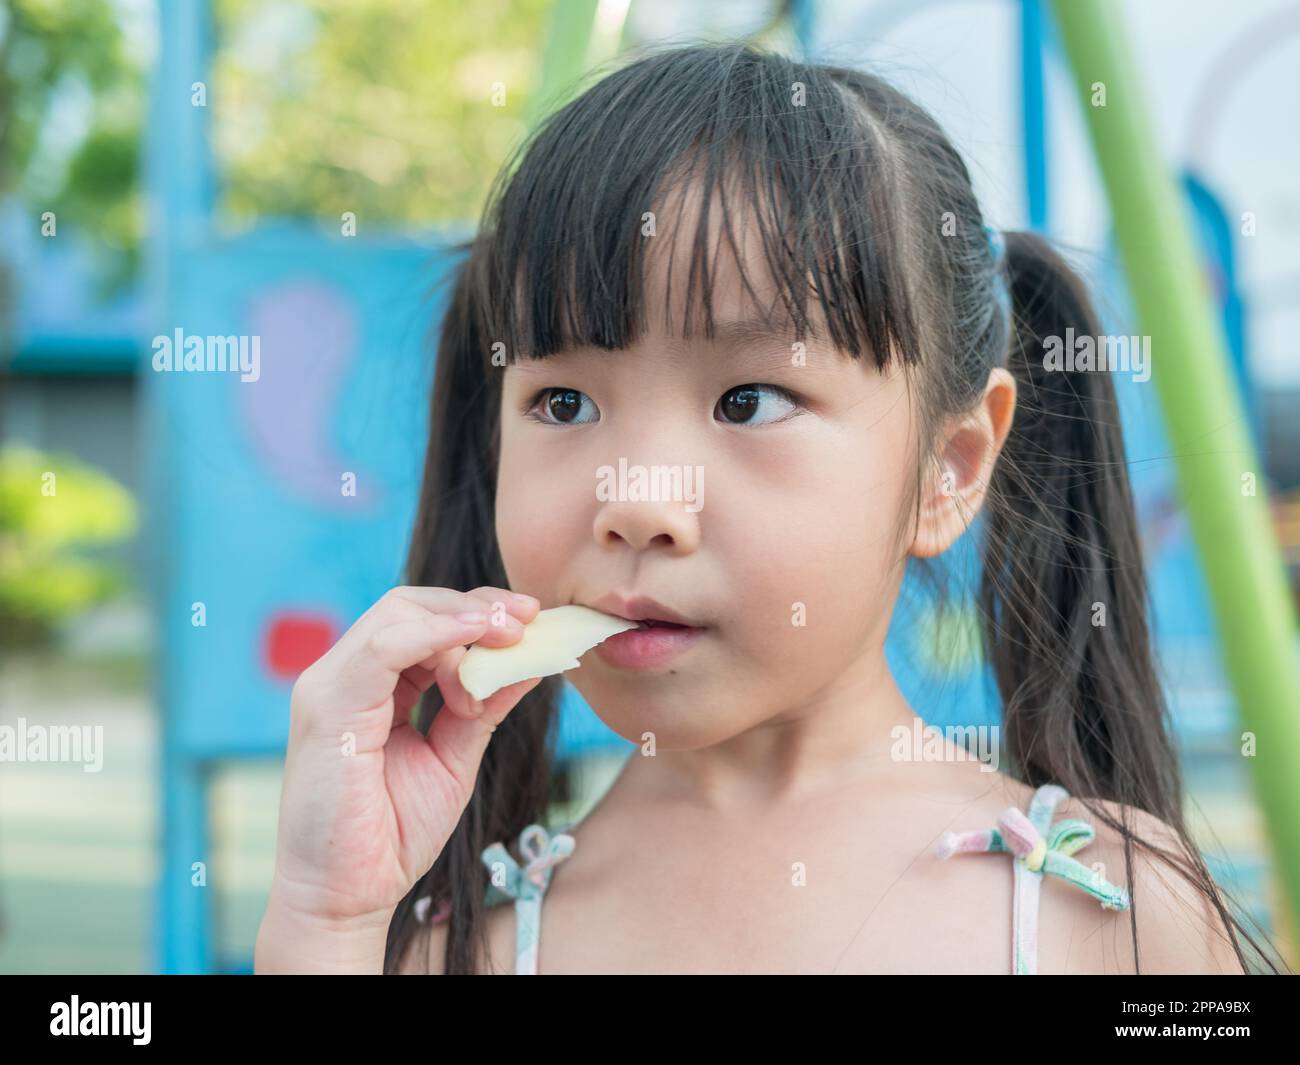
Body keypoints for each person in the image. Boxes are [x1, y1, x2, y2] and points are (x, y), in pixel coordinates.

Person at [254, 42, 1282, 975]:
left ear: (949, 468)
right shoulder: (452, 942)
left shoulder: (1110, 915)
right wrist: (327, 920)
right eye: (563, 402)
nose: (636, 505)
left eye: (747, 400)